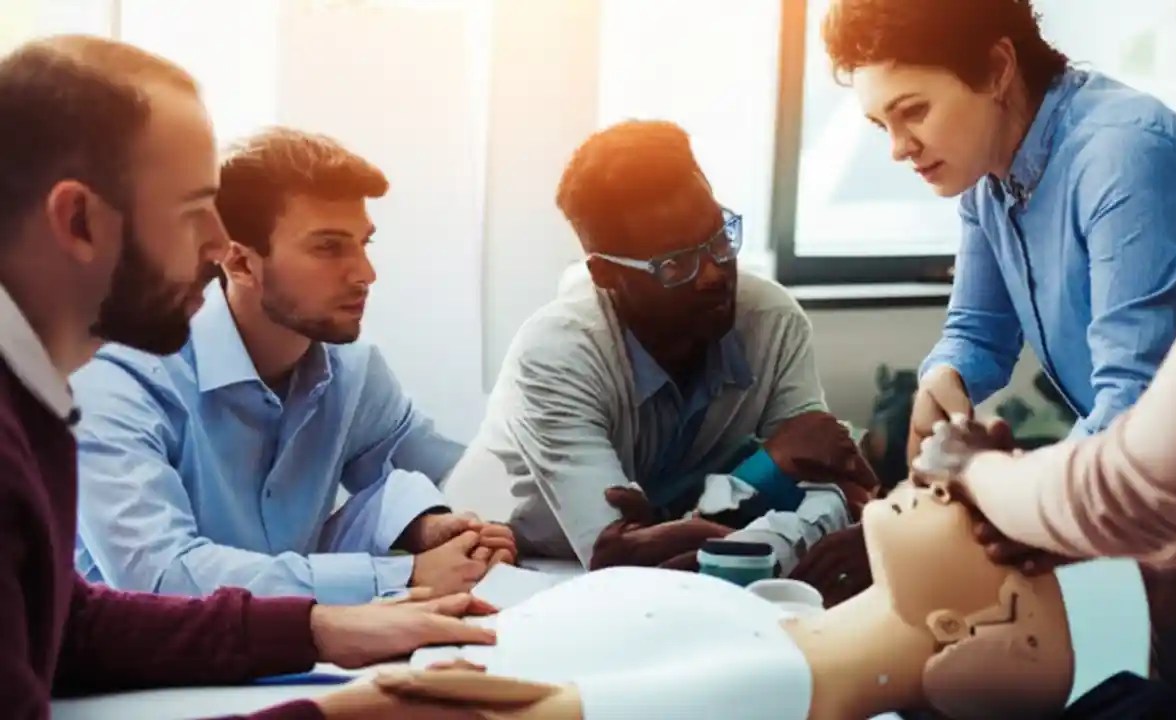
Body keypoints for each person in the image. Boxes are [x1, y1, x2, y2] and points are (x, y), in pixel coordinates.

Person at [0, 34, 507, 720]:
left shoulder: (33, 394)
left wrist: (321, 626)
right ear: (79, 219)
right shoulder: (76, 398)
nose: (217, 246)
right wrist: (345, 709)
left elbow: (66, 621)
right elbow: (148, 579)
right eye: (191, 210)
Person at [820, 0, 1176, 711]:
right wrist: (946, 374)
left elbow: (1129, 404)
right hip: (1170, 476)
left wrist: (998, 500)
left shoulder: (1122, 155)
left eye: (913, 111)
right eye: (880, 125)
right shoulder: (988, 170)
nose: (898, 147)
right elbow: (978, 331)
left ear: (995, 68)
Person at [71, 127, 516, 605]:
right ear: (240, 263)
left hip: (292, 657)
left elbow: (454, 475)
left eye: (364, 243)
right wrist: (399, 575)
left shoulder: (353, 371)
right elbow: (159, 577)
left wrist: (435, 527)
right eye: (328, 247)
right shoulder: (118, 375)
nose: (365, 274)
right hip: (137, 672)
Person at [450, 120, 879, 591]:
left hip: (665, 563)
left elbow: (831, 477)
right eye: (675, 264)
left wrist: (686, 524)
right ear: (606, 275)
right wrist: (768, 476)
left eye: (719, 240)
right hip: (518, 564)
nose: (714, 275)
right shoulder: (555, 354)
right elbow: (614, 559)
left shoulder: (771, 320)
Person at [351, 481, 1075, 720]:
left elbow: (515, 711)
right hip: (427, 642)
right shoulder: (786, 626)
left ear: (956, 626)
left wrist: (346, 700)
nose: (959, 487)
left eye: (990, 532)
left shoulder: (776, 681)